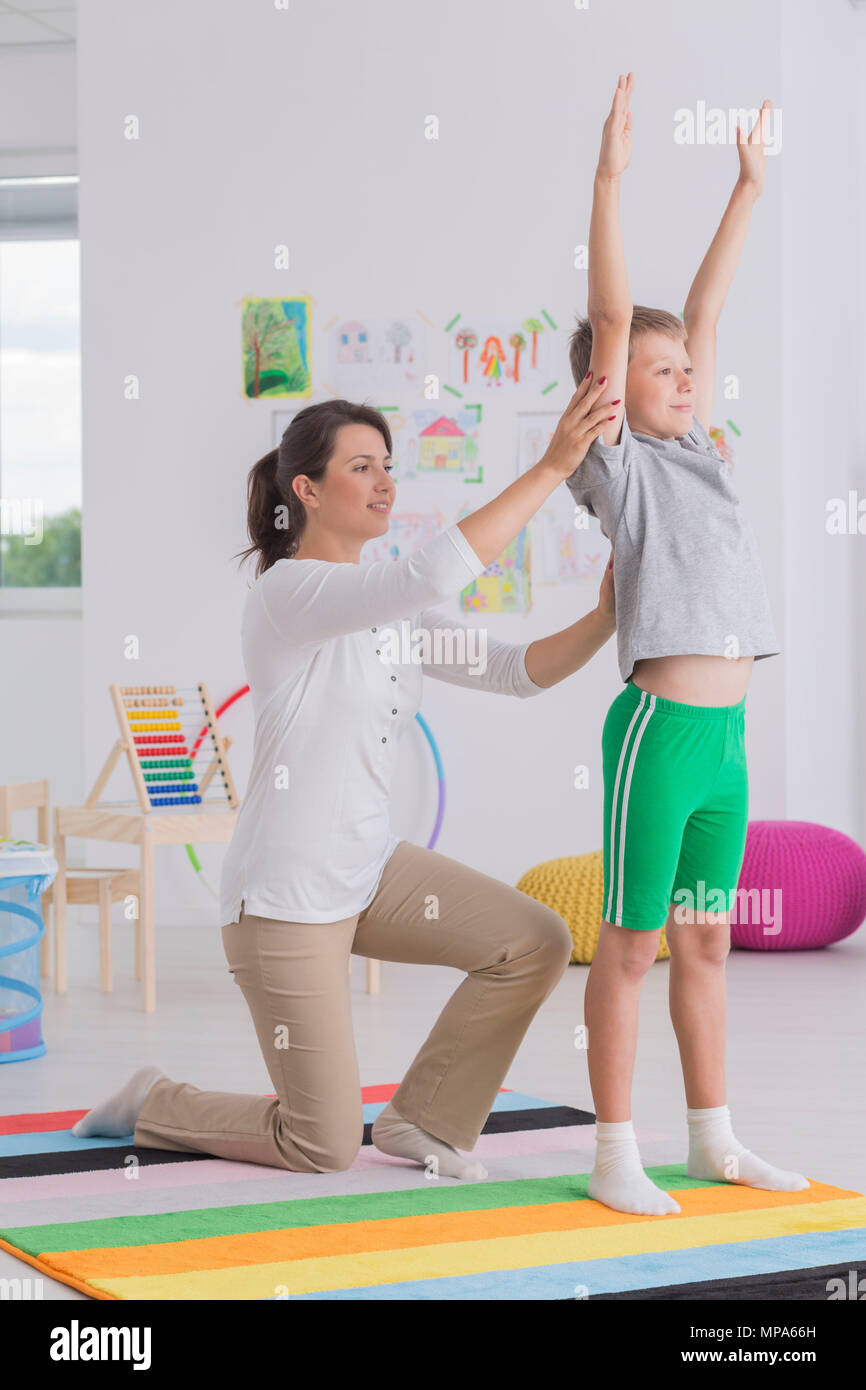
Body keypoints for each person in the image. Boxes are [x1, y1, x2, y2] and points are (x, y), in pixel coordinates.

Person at [73, 381, 619, 1181]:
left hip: (369, 872)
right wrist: (552, 465)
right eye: (362, 467)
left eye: (388, 465)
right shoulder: (289, 592)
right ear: (308, 490)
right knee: (320, 1143)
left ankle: (424, 1120)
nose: (385, 482)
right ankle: (155, 1100)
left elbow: (511, 671)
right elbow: (427, 577)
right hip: (284, 898)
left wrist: (604, 618)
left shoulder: (389, 610)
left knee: (533, 940)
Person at [565, 72, 808, 1216]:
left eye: (682, 372)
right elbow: (619, 322)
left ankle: (711, 1138)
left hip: (725, 742)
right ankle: (614, 1148)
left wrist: (745, 190)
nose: (680, 378)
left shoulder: (698, 445)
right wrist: (609, 176)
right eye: (656, 372)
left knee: (705, 946)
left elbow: (699, 316)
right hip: (658, 734)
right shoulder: (611, 458)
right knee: (628, 944)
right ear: (610, 390)